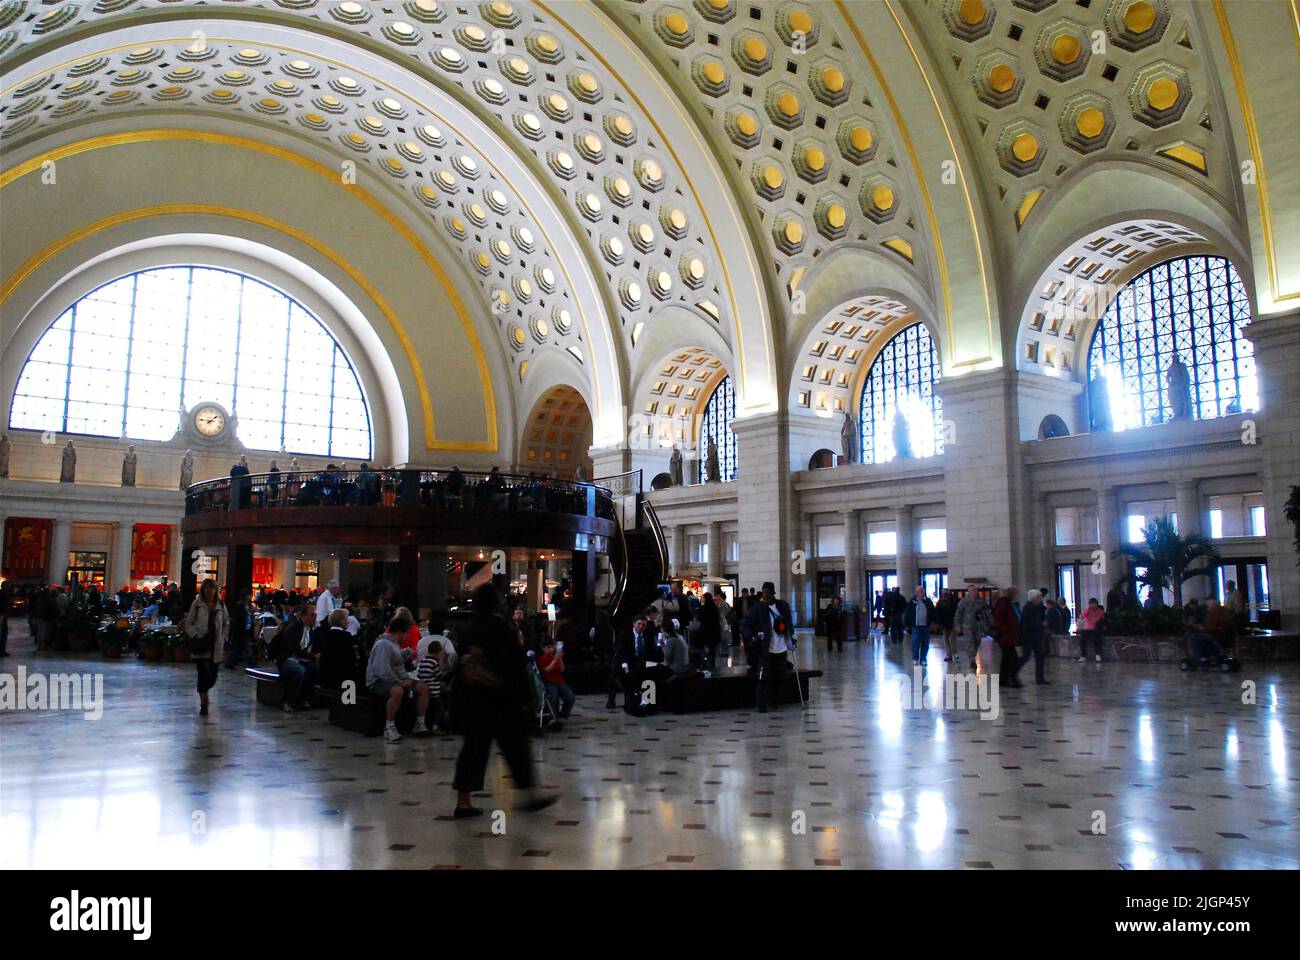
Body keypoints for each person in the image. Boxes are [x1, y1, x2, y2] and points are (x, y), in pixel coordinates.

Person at [451, 584, 556, 818]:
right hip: (501, 699)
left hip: (474, 700)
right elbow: (515, 664)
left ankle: (463, 802)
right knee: (516, 747)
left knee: (473, 750)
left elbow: (461, 662)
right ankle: (529, 794)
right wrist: (527, 696)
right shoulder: (501, 628)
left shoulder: (469, 629)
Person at [366, 609, 431, 742]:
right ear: (400, 632)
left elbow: (395, 659)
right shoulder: (383, 644)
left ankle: (420, 723)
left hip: (395, 677)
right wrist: (400, 682)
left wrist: (406, 652)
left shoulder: (393, 644)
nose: (407, 636)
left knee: (423, 687)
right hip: (378, 680)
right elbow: (381, 670)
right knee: (397, 691)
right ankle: (389, 727)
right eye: (406, 633)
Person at [741, 582, 796, 713]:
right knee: (763, 677)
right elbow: (745, 623)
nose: (765, 595)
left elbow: (788, 624)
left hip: (781, 649)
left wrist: (791, 636)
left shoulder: (782, 606)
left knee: (779, 677)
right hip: (765, 650)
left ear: (773, 593)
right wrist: (752, 637)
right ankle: (761, 704)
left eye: (768, 592)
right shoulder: (758, 608)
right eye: (764, 592)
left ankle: (774, 700)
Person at [184, 578, 229, 717]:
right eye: (206, 588)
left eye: (212, 588)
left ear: (215, 590)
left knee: (212, 676)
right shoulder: (197, 604)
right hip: (201, 643)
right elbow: (189, 623)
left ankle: (204, 691)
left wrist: (223, 636)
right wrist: (195, 635)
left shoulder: (221, 605)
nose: (209, 591)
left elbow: (226, 622)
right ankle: (204, 703)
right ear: (203, 590)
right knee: (202, 674)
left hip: (215, 645)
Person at [274, 604, 320, 713]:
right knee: (298, 670)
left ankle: (304, 699)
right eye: (312, 615)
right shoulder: (292, 629)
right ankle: (289, 701)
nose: (314, 617)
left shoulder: (311, 630)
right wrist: (313, 656)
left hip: (301, 659)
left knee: (315, 668)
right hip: (287, 659)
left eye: (315, 615)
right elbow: (295, 650)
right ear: (303, 616)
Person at [613, 612, 660, 714]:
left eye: (643, 625)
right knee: (627, 676)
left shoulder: (648, 634)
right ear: (634, 623)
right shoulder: (625, 635)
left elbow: (651, 652)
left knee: (651, 676)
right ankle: (630, 702)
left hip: (642, 662)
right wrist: (626, 668)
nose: (641, 627)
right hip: (628, 661)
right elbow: (622, 652)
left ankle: (647, 704)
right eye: (639, 624)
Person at [317, 608, 362, 691]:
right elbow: (350, 659)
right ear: (341, 620)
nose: (348, 621)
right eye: (347, 619)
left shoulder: (325, 635)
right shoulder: (346, 635)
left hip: (324, 677)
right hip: (340, 679)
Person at [537, 638, 575, 729]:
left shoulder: (555, 656)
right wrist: (555, 660)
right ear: (543, 648)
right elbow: (547, 670)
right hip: (549, 682)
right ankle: (552, 718)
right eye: (548, 647)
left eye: (552, 647)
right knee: (553, 697)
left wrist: (560, 659)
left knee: (570, 698)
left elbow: (562, 669)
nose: (551, 649)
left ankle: (562, 715)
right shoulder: (541, 659)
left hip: (559, 681)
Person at [992, 587, 1023, 688]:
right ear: (1012, 595)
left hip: (1011, 636)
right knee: (1012, 659)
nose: (1018, 596)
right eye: (1017, 594)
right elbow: (997, 620)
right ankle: (1012, 680)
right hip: (1005, 636)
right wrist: (1007, 628)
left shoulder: (1012, 604)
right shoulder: (1004, 604)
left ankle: (1003, 680)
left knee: (1007, 659)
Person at [1020, 589, 1049, 685]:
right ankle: (1012, 672)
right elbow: (1029, 623)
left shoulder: (1040, 607)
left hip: (1038, 635)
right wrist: (1041, 624)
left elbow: (1042, 618)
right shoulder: (1028, 608)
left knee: (1040, 656)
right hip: (1029, 636)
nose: (1040, 598)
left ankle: (1040, 678)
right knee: (1025, 656)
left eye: (1040, 596)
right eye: (1038, 596)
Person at [415, 642, 446, 733]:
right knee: (439, 708)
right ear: (438, 653)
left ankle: (428, 724)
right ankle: (435, 727)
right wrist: (441, 665)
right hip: (434, 691)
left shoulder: (423, 661)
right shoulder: (434, 663)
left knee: (430, 710)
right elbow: (439, 676)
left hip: (426, 690)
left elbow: (419, 675)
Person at [223, 587, 255, 670]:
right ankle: (250, 663)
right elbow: (238, 619)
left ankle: (231, 662)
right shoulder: (240, 606)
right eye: (248, 595)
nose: (250, 597)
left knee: (239, 648)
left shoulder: (246, 606)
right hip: (241, 630)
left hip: (245, 629)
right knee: (243, 647)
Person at [904, 585, 935, 666]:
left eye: (922, 591)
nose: (921, 593)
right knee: (915, 642)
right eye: (920, 591)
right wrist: (906, 624)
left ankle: (923, 658)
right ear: (916, 593)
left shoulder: (928, 601)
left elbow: (933, 612)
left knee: (925, 643)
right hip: (916, 626)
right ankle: (915, 658)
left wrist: (934, 622)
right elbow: (908, 613)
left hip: (925, 626)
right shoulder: (912, 601)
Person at [694, 591, 722, 667]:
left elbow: (699, 619)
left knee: (703, 648)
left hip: (705, 631)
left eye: (702, 597)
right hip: (714, 631)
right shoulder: (714, 608)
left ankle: (705, 662)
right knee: (712, 649)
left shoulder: (703, 608)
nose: (701, 599)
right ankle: (712, 664)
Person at [1077, 597, 1105, 662]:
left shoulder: (1100, 612)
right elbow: (1081, 617)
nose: (1093, 605)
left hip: (1096, 629)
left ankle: (1097, 654)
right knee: (1082, 639)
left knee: (1097, 638)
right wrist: (1087, 611)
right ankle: (1083, 656)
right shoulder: (1088, 611)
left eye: (1094, 604)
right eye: (1091, 604)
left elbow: (1102, 619)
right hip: (1087, 629)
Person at [935, 589, 959, 662]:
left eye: (946, 594)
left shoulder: (953, 602)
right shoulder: (941, 603)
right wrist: (939, 623)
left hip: (952, 623)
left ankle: (954, 654)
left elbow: (957, 612)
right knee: (947, 639)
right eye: (944, 594)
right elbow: (937, 613)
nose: (945, 595)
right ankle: (950, 655)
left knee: (951, 639)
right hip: (945, 624)